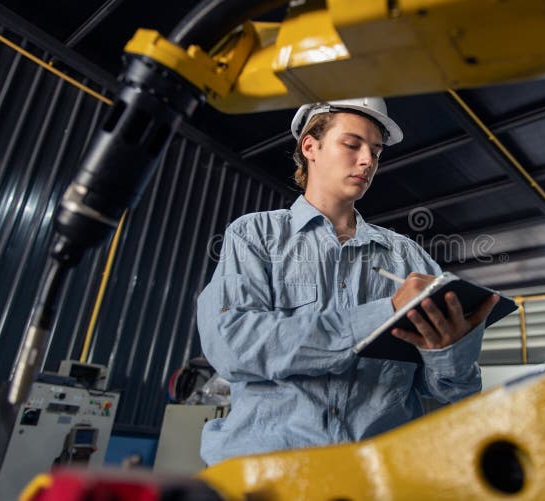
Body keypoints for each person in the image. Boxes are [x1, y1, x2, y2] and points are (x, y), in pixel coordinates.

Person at [196, 97, 498, 464]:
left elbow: (450, 390)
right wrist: (382, 314)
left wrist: (448, 351)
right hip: (270, 475)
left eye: (376, 151)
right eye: (352, 144)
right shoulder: (256, 236)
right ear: (311, 146)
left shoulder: (409, 258)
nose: (368, 161)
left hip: (377, 477)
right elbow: (234, 346)